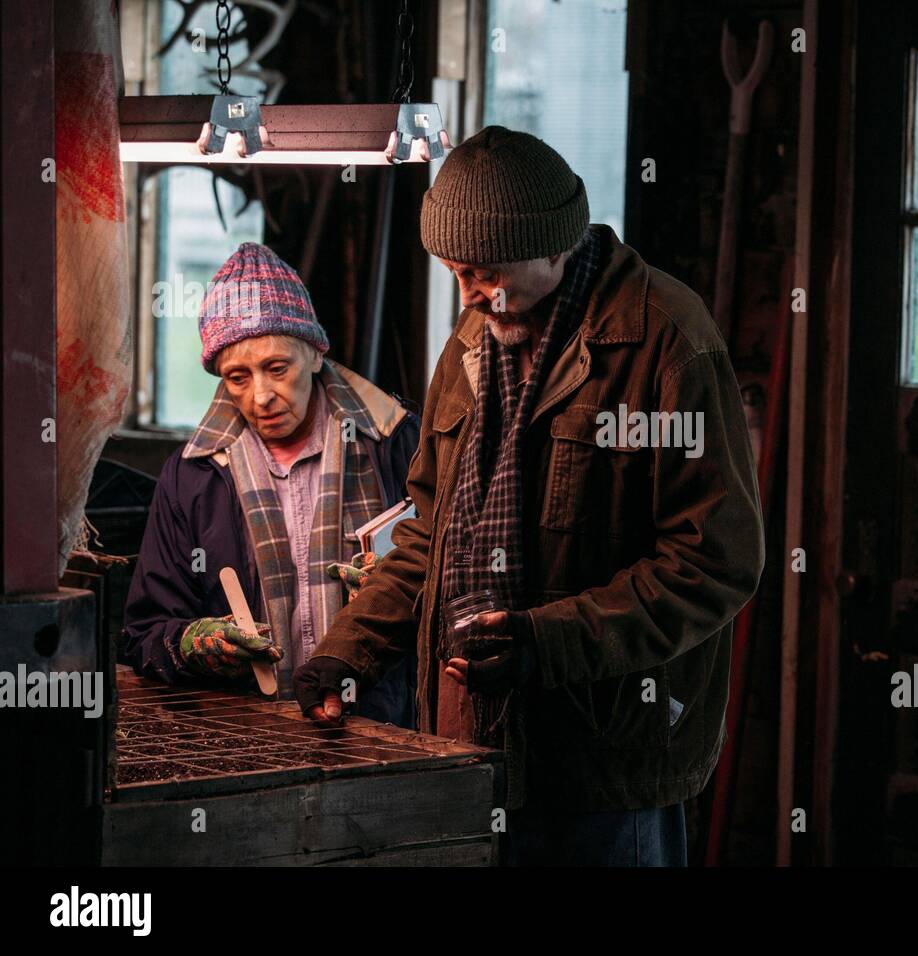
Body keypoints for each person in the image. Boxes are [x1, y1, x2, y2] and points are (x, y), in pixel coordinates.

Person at [294, 126, 765, 865]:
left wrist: (549, 643)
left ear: (556, 246)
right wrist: (348, 652)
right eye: (456, 274)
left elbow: (713, 562)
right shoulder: (475, 342)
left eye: (485, 272)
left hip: (604, 757)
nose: (472, 294)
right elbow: (428, 533)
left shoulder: (666, 345)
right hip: (467, 735)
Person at [120, 243, 420, 726]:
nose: (261, 396)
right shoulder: (193, 474)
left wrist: (402, 592)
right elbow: (144, 632)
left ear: (316, 352)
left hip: (388, 729)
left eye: (277, 368)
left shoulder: (398, 444)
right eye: (237, 377)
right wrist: (194, 644)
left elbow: (458, 590)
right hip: (249, 736)